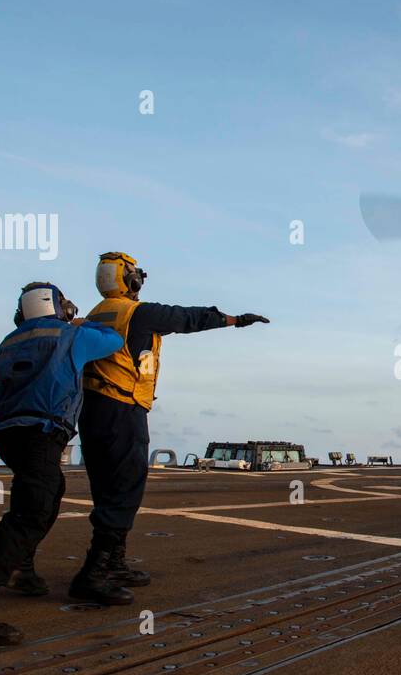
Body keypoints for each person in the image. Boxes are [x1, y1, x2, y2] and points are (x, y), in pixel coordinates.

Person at [75, 252, 269, 601]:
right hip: (123, 410)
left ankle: (114, 562)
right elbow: (188, 318)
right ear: (129, 279)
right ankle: (95, 572)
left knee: (108, 490)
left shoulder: (95, 314)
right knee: (125, 488)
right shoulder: (138, 313)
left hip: (92, 411)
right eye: (137, 277)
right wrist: (235, 320)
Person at [0, 283, 124, 646]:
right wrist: (83, 323)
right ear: (61, 308)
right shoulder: (71, 336)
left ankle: (22, 569)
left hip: (10, 434)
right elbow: (113, 341)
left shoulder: (8, 342)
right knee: (31, 513)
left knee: (50, 492)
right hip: (42, 433)